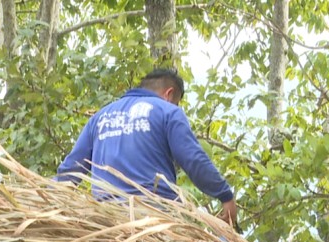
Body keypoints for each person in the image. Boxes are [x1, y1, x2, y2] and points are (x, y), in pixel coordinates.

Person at [56, 68, 238, 227]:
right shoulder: (168, 112)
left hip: (105, 221)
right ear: (169, 93)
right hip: (154, 219)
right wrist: (225, 195)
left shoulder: (100, 117)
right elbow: (193, 160)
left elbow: (71, 169)